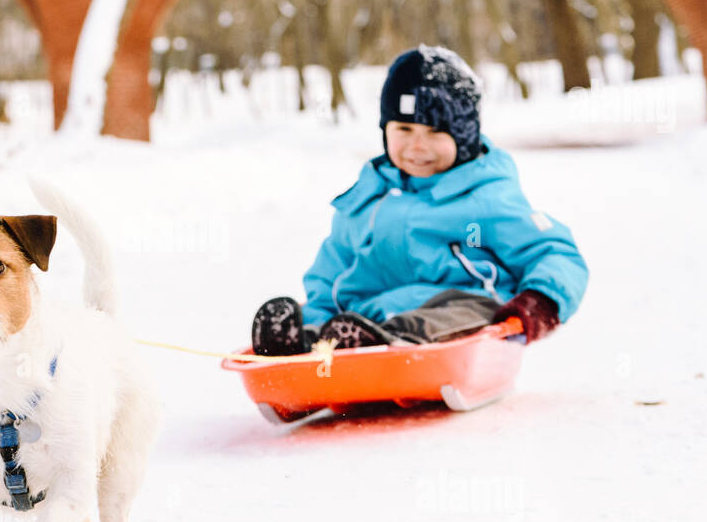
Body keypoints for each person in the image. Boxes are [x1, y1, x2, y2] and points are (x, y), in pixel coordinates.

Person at [251, 45, 588, 355]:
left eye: (435, 133)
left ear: (465, 138)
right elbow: (331, 277)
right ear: (385, 130)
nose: (417, 147)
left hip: (461, 313)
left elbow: (554, 252)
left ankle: (388, 345)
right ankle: (304, 349)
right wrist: (314, 318)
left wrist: (541, 300)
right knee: (330, 324)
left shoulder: (486, 198)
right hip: (361, 322)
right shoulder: (366, 200)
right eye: (404, 130)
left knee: (460, 313)